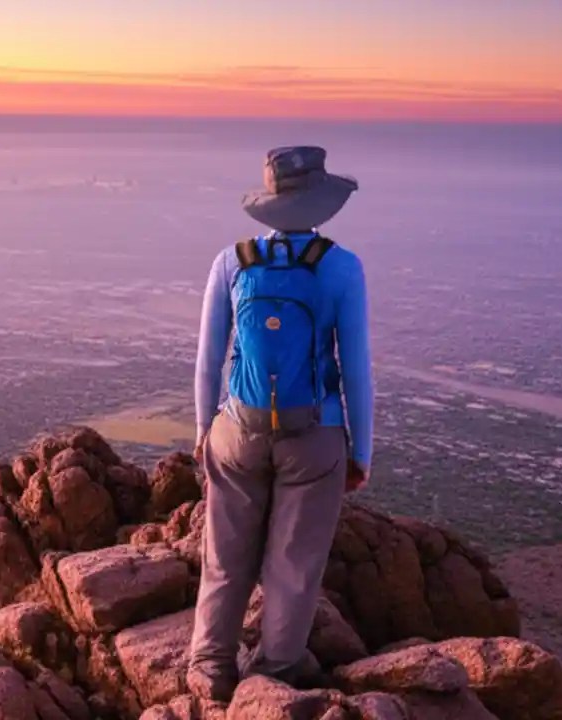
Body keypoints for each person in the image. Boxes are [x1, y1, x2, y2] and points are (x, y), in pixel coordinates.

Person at [186, 146, 374, 701]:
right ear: (321, 202)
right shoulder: (341, 267)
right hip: (314, 436)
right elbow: (356, 371)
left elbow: (208, 360)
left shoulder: (232, 261)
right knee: (293, 566)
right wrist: (359, 452)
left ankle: (209, 669)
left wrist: (204, 433)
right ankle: (272, 679)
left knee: (223, 557)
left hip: (236, 431)